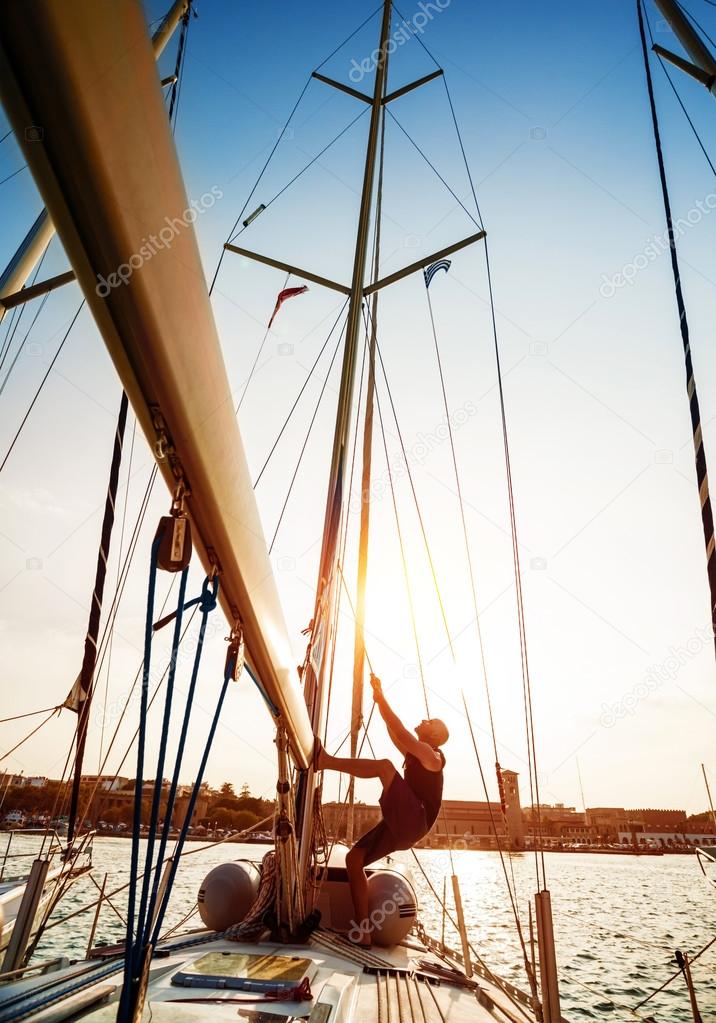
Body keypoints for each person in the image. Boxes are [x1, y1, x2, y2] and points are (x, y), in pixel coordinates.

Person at [315, 673, 448, 946]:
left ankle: (325, 762)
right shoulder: (416, 753)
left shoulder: (433, 756)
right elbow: (395, 732)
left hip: (415, 819)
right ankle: (363, 930)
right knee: (354, 859)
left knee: (385, 767)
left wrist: (382, 696)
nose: (425, 720)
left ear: (435, 735)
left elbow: (399, 730)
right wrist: (377, 699)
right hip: (403, 827)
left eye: (430, 722)